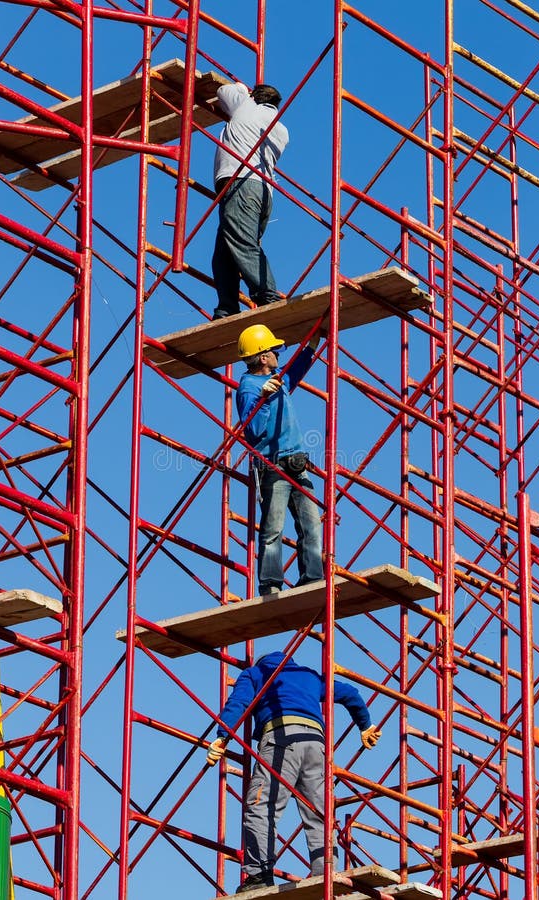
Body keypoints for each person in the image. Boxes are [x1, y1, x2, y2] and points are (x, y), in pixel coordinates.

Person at [206, 650, 382, 893]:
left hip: (280, 739)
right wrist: (365, 725)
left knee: (262, 806)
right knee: (319, 812)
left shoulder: (255, 674)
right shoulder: (308, 676)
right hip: (316, 745)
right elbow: (350, 693)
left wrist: (222, 737)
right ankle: (326, 873)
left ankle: (258, 875)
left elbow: (239, 703)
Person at [236, 323, 323, 595]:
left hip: (296, 462)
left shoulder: (277, 378)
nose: (278, 354)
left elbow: (295, 372)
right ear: (263, 356)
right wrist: (262, 399)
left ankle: (312, 577)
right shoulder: (250, 387)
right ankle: (270, 583)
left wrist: (311, 345)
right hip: (272, 465)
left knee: (311, 524)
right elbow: (252, 431)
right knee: (273, 528)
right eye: (274, 350)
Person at [211, 82, 289, 320]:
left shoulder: (246, 106)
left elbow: (223, 91)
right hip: (263, 191)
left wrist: (241, 87)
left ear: (255, 97)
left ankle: (267, 295)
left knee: (243, 244)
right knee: (225, 254)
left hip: (241, 184)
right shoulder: (281, 129)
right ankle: (227, 307)